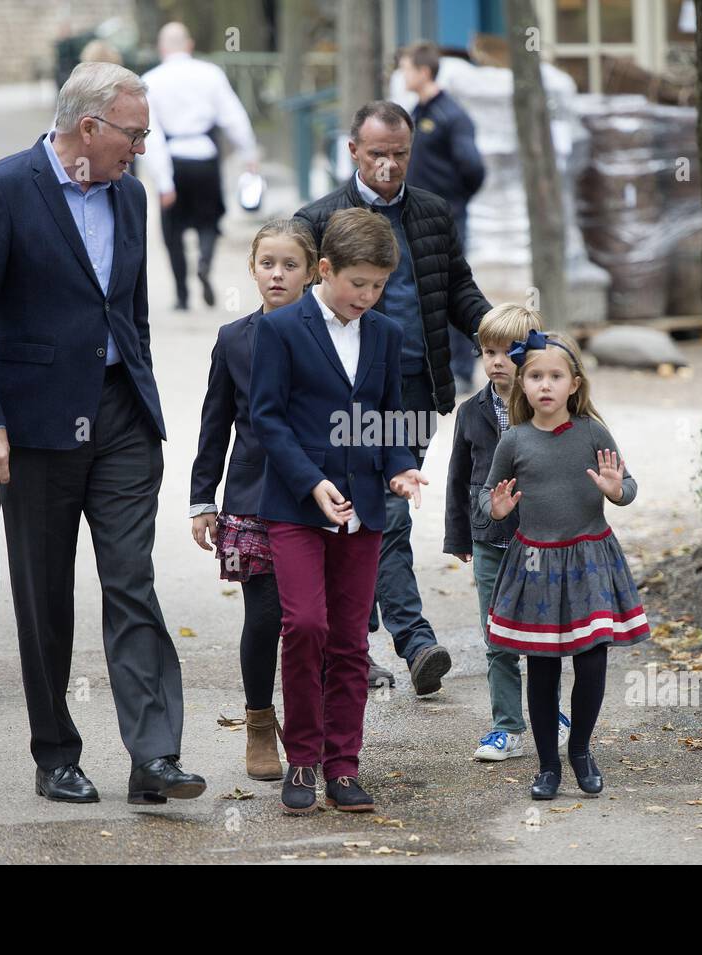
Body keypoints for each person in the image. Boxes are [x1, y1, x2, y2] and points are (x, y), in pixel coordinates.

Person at [0, 62, 206, 804]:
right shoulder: (1, 188)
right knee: (45, 594)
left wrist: (145, 388)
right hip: (36, 425)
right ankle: (56, 751)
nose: (142, 149)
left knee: (132, 581)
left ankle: (154, 754)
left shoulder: (128, 194)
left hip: (121, 414)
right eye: (135, 133)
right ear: (88, 128)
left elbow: (132, 309)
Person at [294, 100, 491, 697]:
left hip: (412, 387)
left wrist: (495, 330)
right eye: (377, 153)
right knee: (385, 513)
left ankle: (353, 647)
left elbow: (456, 286)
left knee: (373, 517)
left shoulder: (432, 213)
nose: (388, 165)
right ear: (353, 150)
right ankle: (413, 641)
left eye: (399, 154)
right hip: (344, 394)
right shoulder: (318, 219)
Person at [250, 207, 425, 816]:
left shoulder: (386, 333)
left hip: (364, 510)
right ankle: (301, 755)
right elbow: (266, 418)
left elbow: (387, 417)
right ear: (324, 270)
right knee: (305, 626)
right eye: (358, 283)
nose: (368, 296)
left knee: (350, 640)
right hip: (296, 506)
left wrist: (400, 466)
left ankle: (343, 765)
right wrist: (311, 483)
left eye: (379, 286)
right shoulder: (279, 330)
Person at [480, 330, 649, 800]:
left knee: (592, 660)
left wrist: (616, 490)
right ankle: (548, 766)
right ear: (522, 384)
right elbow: (488, 498)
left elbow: (628, 487)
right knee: (543, 667)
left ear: (574, 384)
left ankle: (580, 750)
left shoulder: (593, 432)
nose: (545, 385)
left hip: (590, 559)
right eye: (535, 376)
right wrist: (495, 510)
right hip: (534, 564)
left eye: (556, 376)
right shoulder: (513, 441)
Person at [188, 218, 317, 780]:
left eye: (291, 265)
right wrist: (201, 498)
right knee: (264, 615)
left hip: (317, 493)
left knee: (315, 620)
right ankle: (261, 725)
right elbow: (215, 422)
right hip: (252, 495)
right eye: (268, 264)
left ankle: (315, 730)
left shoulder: (330, 334)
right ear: (252, 269)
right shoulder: (234, 339)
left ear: (314, 272)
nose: (278, 275)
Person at [445, 304, 571, 761]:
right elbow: (459, 478)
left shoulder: (548, 409)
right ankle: (506, 726)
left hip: (540, 542)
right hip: (490, 541)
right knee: (497, 637)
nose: (496, 361)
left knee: (541, 636)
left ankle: (550, 713)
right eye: (487, 351)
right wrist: (458, 537)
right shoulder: (471, 412)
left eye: (507, 352)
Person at [141, 21, 259, 311]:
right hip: (205, 157)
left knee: (172, 232)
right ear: (190, 45)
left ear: (161, 48)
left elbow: (151, 134)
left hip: (173, 159)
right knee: (209, 221)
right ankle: (204, 261)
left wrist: (164, 181)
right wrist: (249, 152)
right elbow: (233, 115)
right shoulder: (210, 74)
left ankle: (182, 295)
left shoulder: (150, 81)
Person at [398, 40, 485, 393]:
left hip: (446, 217)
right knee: (420, 290)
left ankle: (463, 369)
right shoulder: (415, 114)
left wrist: (454, 202)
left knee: (450, 289)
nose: (400, 75)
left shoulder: (452, 115)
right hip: (414, 216)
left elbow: (474, 168)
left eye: (404, 68)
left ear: (423, 71)